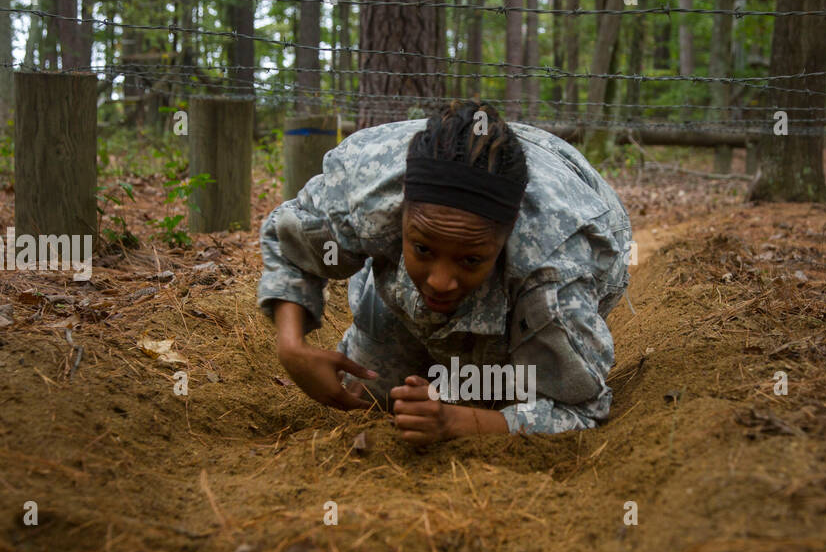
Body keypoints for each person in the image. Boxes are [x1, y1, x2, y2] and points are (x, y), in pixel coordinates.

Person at [257, 99, 632, 444]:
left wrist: (456, 422)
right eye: (423, 249)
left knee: (498, 395)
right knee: (367, 392)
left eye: (469, 260)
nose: (439, 281)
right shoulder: (367, 195)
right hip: (415, 247)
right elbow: (289, 240)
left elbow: (580, 408)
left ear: (506, 237)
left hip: (557, 247)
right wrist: (291, 347)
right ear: (398, 212)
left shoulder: (552, 268)